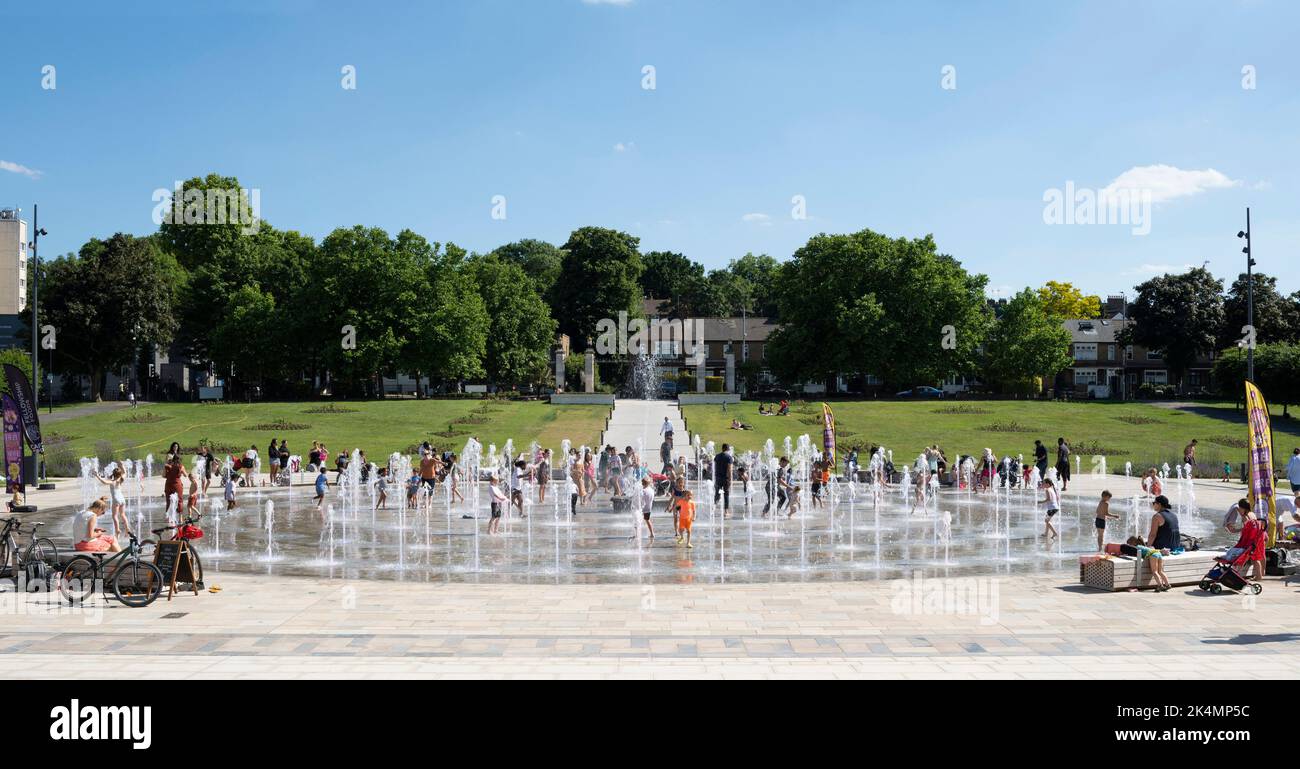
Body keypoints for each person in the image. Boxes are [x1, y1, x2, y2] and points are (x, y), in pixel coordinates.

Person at [95, 466, 130, 538]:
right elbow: (125, 472)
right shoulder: (121, 480)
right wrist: (122, 465)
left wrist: (97, 476)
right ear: (120, 474)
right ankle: (127, 529)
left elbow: (104, 482)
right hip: (122, 499)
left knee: (114, 516)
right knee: (123, 515)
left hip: (116, 499)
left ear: (113, 474)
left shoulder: (112, 482)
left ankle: (117, 530)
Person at [714, 444, 734, 517]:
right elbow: (729, 469)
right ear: (728, 449)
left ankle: (713, 508)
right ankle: (726, 511)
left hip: (718, 477)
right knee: (726, 494)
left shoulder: (717, 456)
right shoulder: (729, 457)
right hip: (725, 478)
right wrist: (730, 479)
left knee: (717, 494)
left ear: (722, 448)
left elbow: (715, 467)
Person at [634, 475, 656, 541]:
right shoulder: (651, 490)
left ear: (642, 483)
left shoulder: (643, 491)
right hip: (648, 508)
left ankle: (637, 534)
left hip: (642, 508)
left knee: (637, 521)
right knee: (648, 520)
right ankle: (652, 533)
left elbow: (639, 499)